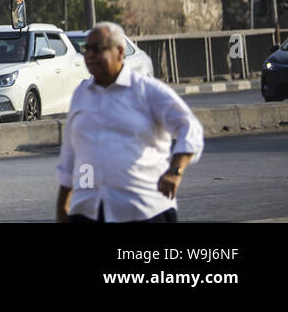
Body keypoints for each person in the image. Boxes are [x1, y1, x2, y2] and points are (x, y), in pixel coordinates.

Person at [55, 22, 203, 223]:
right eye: (87, 49)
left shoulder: (147, 90)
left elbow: (189, 127)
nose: (90, 55)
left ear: (120, 52)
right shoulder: (82, 94)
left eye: (98, 49)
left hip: (144, 210)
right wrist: (63, 206)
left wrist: (175, 171)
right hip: (89, 210)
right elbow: (71, 155)